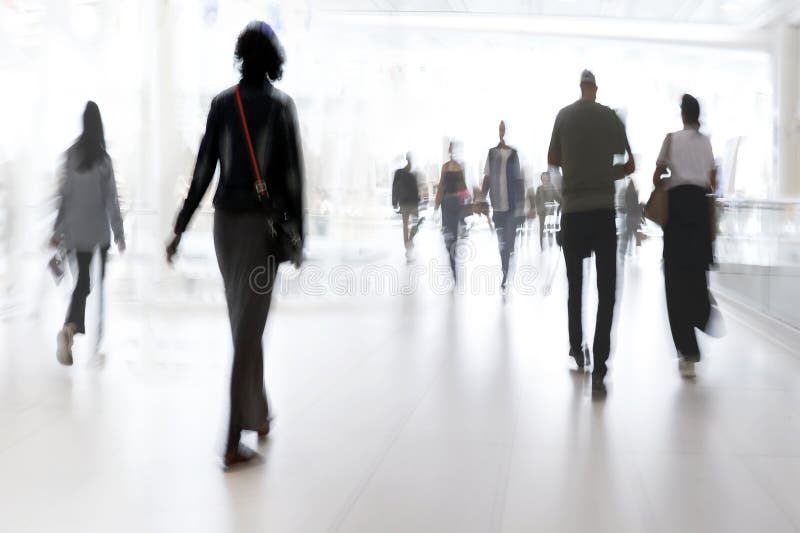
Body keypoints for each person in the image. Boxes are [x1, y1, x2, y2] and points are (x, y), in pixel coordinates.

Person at [165, 21, 304, 468]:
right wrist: (299, 235)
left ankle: (258, 414)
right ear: (274, 59)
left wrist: (181, 227)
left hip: (225, 229)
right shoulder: (281, 107)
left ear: (242, 57)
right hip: (262, 231)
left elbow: (203, 171)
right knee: (247, 330)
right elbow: (292, 179)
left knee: (245, 326)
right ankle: (231, 439)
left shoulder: (223, 104)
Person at [548, 70, 634, 394]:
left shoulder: (563, 116)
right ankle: (600, 368)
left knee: (575, 286)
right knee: (607, 290)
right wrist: (604, 173)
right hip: (602, 213)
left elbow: (552, 160)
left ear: (579, 87)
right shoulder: (609, 117)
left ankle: (576, 347)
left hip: (573, 212)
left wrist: (572, 180)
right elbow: (629, 164)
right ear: (595, 89)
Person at [53, 101, 125, 366]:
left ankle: (71, 329)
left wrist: (57, 230)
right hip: (99, 233)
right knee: (94, 287)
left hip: (75, 232)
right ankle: (84, 336)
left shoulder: (70, 156)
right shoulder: (104, 160)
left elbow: (64, 196)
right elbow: (111, 201)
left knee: (82, 283)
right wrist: (119, 234)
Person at [653, 94, 717, 378]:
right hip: (700, 210)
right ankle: (703, 315)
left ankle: (687, 352)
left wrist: (670, 178)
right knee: (696, 274)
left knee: (675, 281)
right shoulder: (706, 142)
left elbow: (656, 177)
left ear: (682, 114)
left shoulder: (671, 140)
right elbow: (712, 180)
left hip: (677, 211)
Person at [482, 121, 525, 291]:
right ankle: (504, 270)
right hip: (498, 207)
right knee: (502, 243)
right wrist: (481, 199)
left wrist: (522, 205)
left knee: (509, 243)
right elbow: (487, 178)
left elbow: (519, 180)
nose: (502, 132)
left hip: (512, 207)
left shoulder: (514, 154)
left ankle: (507, 263)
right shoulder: (491, 153)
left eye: (504, 129)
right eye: (500, 129)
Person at [435, 141, 469, 280]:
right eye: (450, 148)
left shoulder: (459, 167)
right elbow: (441, 186)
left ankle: (453, 266)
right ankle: (452, 261)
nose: (451, 151)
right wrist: (436, 204)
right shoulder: (445, 166)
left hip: (454, 203)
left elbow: (463, 187)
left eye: (452, 148)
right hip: (447, 204)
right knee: (448, 236)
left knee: (452, 235)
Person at [392, 153, 423, 260]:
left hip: (413, 203)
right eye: (410, 160)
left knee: (415, 224)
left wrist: (419, 199)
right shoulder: (399, 173)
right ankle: (408, 246)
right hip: (405, 203)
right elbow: (395, 187)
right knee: (406, 225)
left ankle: (409, 242)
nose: (411, 163)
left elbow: (415, 190)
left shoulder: (412, 175)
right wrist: (394, 202)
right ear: (407, 160)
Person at [535, 171, 562, 250]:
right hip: (542, 211)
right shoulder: (539, 188)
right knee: (542, 228)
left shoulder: (551, 187)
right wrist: (538, 208)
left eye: (546, 176)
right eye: (543, 176)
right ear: (541, 178)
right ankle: (542, 245)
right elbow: (536, 200)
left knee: (550, 227)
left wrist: (561, 202)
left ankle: (550, 245)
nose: (545, 178)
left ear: (548, 178)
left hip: (550, 211)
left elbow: (557, 197)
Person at [623, 178, 641, 256]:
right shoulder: (636, 193)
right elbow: (637, 205)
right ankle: (637, 251)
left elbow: (625, 205)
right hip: (635, 216)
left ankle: (629, 251)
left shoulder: (627, 193)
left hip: (629, 216)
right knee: (636, 233)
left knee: (629, 234)